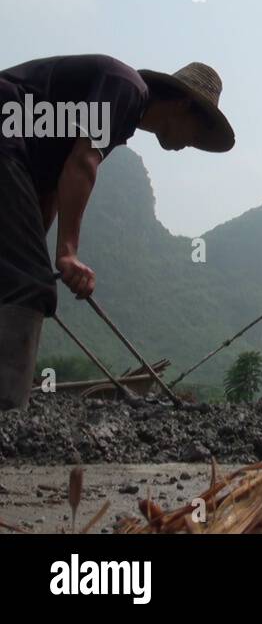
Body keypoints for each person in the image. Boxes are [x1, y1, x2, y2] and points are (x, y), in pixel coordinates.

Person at [0, 55, 235, 410]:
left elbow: (48, 187)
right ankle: (7, 414)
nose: (191, 144)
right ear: (183, 105)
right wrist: (66, 253)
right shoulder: (126, 89)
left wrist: (35, 248)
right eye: (197, 133)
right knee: (29, 288)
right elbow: (83, 161)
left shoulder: (119, 109)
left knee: (19, 276)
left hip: (14, 152)